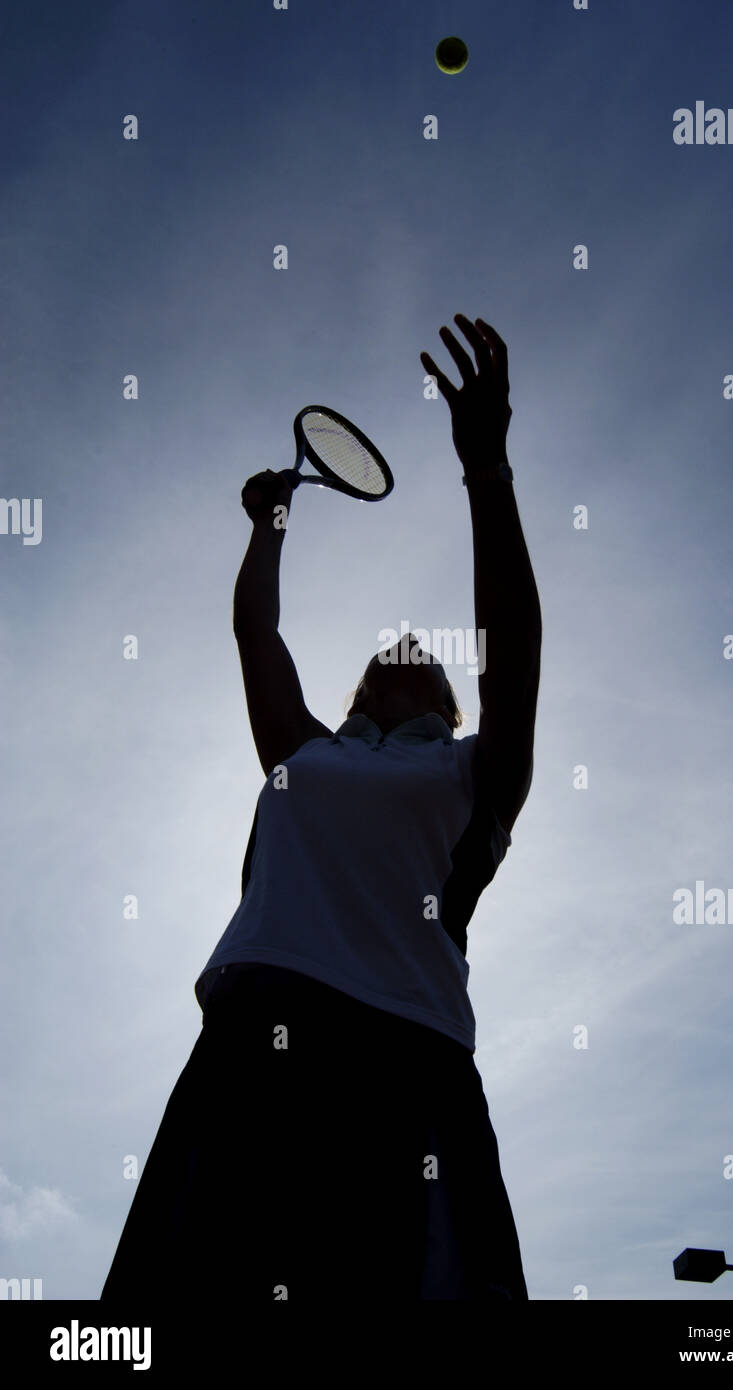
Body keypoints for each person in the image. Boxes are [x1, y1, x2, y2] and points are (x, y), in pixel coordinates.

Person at [100, 313, 541, 1302]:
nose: (405, 647)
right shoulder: (306, 753)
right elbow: (256, 628)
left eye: (427, 656)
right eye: (388, 650)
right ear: (355, 695)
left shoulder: (478, 772)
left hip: (407, 1056)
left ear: (449, 700)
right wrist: (271, 525)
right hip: (255, 1033)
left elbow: (513, 636)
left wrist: (486, 466)